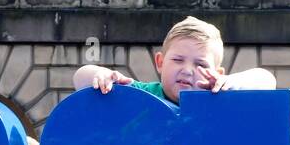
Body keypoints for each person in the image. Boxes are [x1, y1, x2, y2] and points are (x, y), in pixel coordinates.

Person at [72, 15, 277, 104]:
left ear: (217, 72)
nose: (187, 70)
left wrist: (232, 83)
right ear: (160, 62)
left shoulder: (219, 97)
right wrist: (103, 75)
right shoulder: (142, 94)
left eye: (200, 64)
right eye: (178, 60)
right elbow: (79, 78)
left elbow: (268, 79)